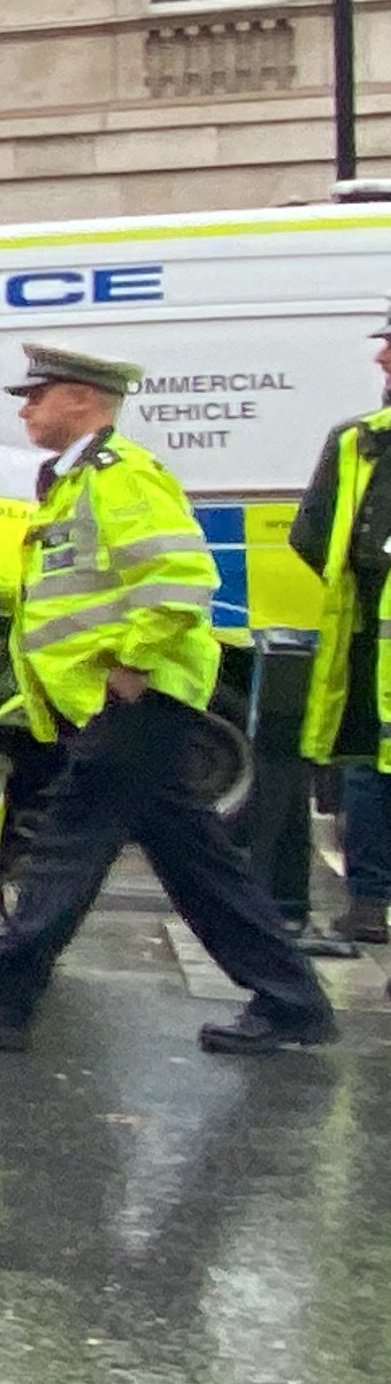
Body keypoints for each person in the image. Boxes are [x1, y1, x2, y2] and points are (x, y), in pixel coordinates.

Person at [0, 345, 340, 1055]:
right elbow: (69, 588)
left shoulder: (121, 477)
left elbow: (181, 581)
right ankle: (291, 1004)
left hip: (136, 701)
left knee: (69, 842)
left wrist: (131, 667)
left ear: (78, 399)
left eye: (35, 396)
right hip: (116, 703)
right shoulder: (72, 485)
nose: (25, 410)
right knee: (197, 861)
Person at [283, 305, 391, 952]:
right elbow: (314, 534)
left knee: (366, 771)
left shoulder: (361, 439)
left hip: (366, 646)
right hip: (366, 647)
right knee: (363, 771)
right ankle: (369, 903)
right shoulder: (359, 439)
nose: (380, 358)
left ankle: (371, 903)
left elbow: (316, 536)